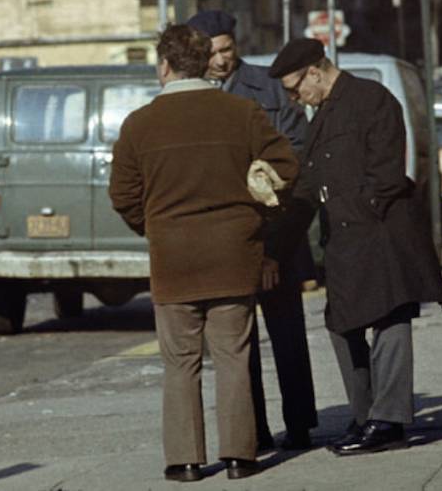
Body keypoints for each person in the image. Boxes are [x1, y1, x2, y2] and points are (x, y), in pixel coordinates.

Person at [108, 25, 299, 483]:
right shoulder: (242, 112)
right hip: (234, 254)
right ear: (204, 63)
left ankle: (185, 461)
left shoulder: (139, 124)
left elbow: (123, 195)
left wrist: (154, 227)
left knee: (180, 361)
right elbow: (285, 169)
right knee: (234, 354)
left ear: (165, 66)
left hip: (173, 258)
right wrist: (257, 219)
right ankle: (240, 456)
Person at [267, 39, 442, 456]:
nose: (295, 99)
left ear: (315, 71)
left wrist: (354, 207)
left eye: (295, 88)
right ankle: (368, 416)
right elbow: (307, 190)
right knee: (341, 325)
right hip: (347, 243)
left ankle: (388, 421)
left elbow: (387, 175)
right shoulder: (321, 117)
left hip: (381, 234)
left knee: (390, 322)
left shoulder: (372, 99)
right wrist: (276, 244)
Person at [186, 10, 318, 452]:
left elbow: (294, 161)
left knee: (287, 335)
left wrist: (275, 242)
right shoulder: (191, 96)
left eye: (227, 49)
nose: (221, 60)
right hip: (227, 236)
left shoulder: (268, 88)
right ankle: (254, 430)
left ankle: (299, 424)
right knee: (238, 343)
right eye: (211, 52)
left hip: (275, 227)